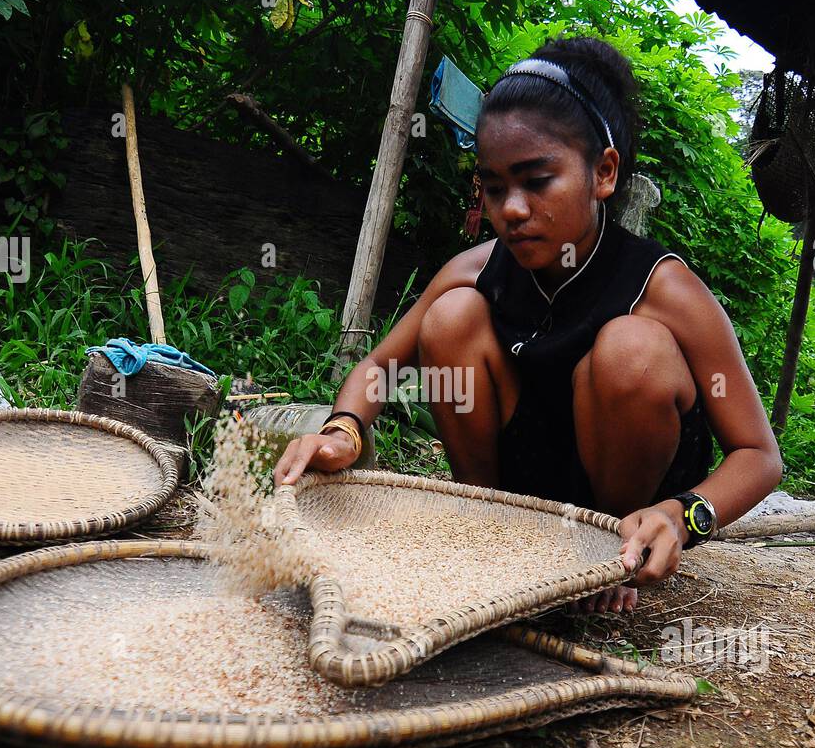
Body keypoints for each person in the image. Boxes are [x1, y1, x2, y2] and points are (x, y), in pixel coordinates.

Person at [275, 36, 782, 613]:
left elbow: (759, 455)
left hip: (624, 511)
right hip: (523, 487)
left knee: (631, 350)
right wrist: (343, 432)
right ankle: (491, 528)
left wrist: (683, 514)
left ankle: (604, 555)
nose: (512, 209)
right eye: (494, 188)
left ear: (604, 173)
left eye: (537, 181)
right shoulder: (477, 270)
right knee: (449, 318)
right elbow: (378, 369)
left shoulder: (662, 287)